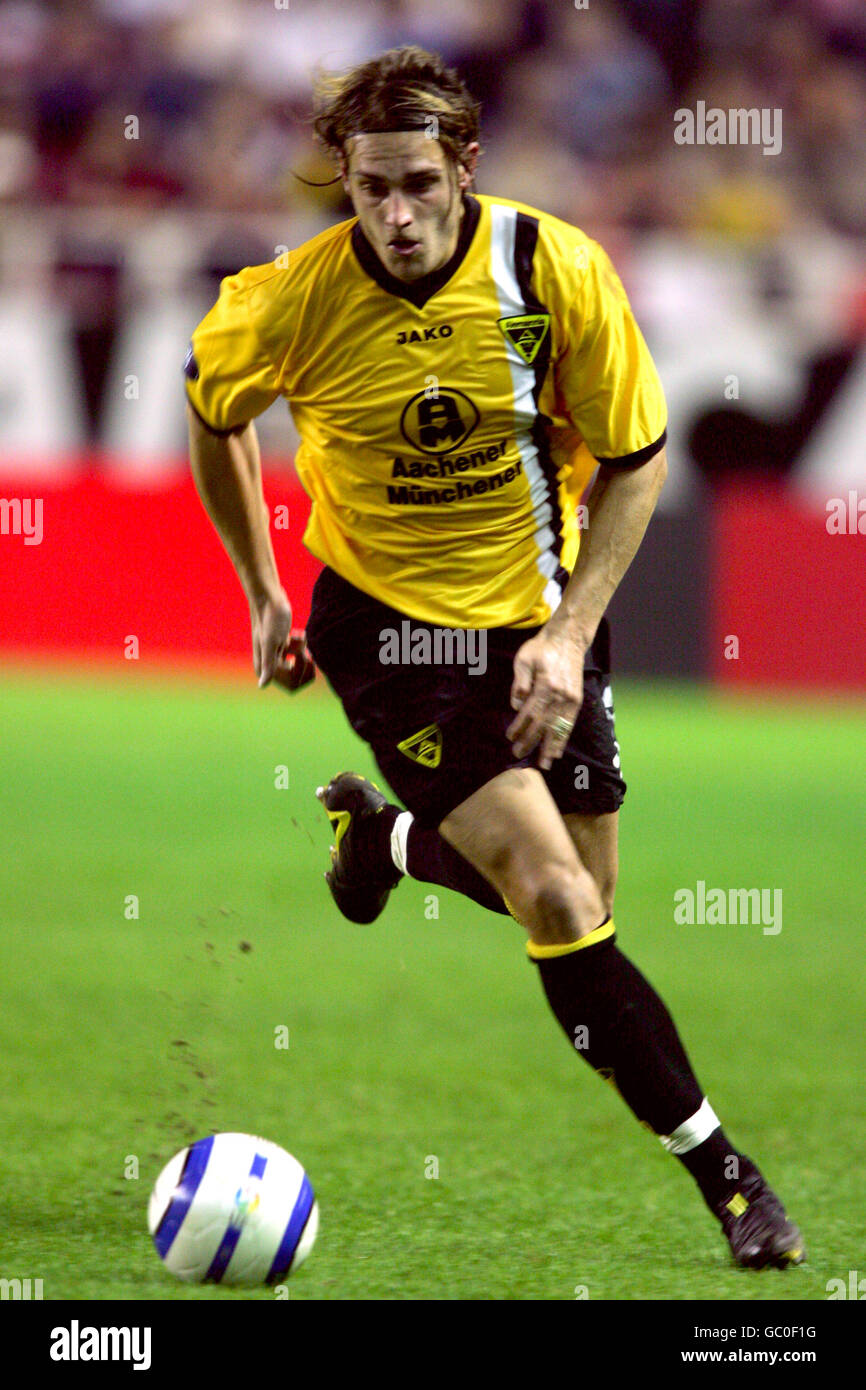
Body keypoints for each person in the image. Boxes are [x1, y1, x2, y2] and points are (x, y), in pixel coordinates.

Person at [186, 45, 803, 1272]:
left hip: (538, 620)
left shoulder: (554, 270)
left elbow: (634, 460)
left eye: (418, 182)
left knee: (588, 904)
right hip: (389, 631)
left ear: (465, 165)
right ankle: (729, 1181)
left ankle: (386, 843)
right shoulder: (285, 302)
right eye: (369, 189)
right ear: (344, 183)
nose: (395, 214)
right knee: (556, 899)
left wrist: (567, 637)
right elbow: (213, 422)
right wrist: (262, 591)